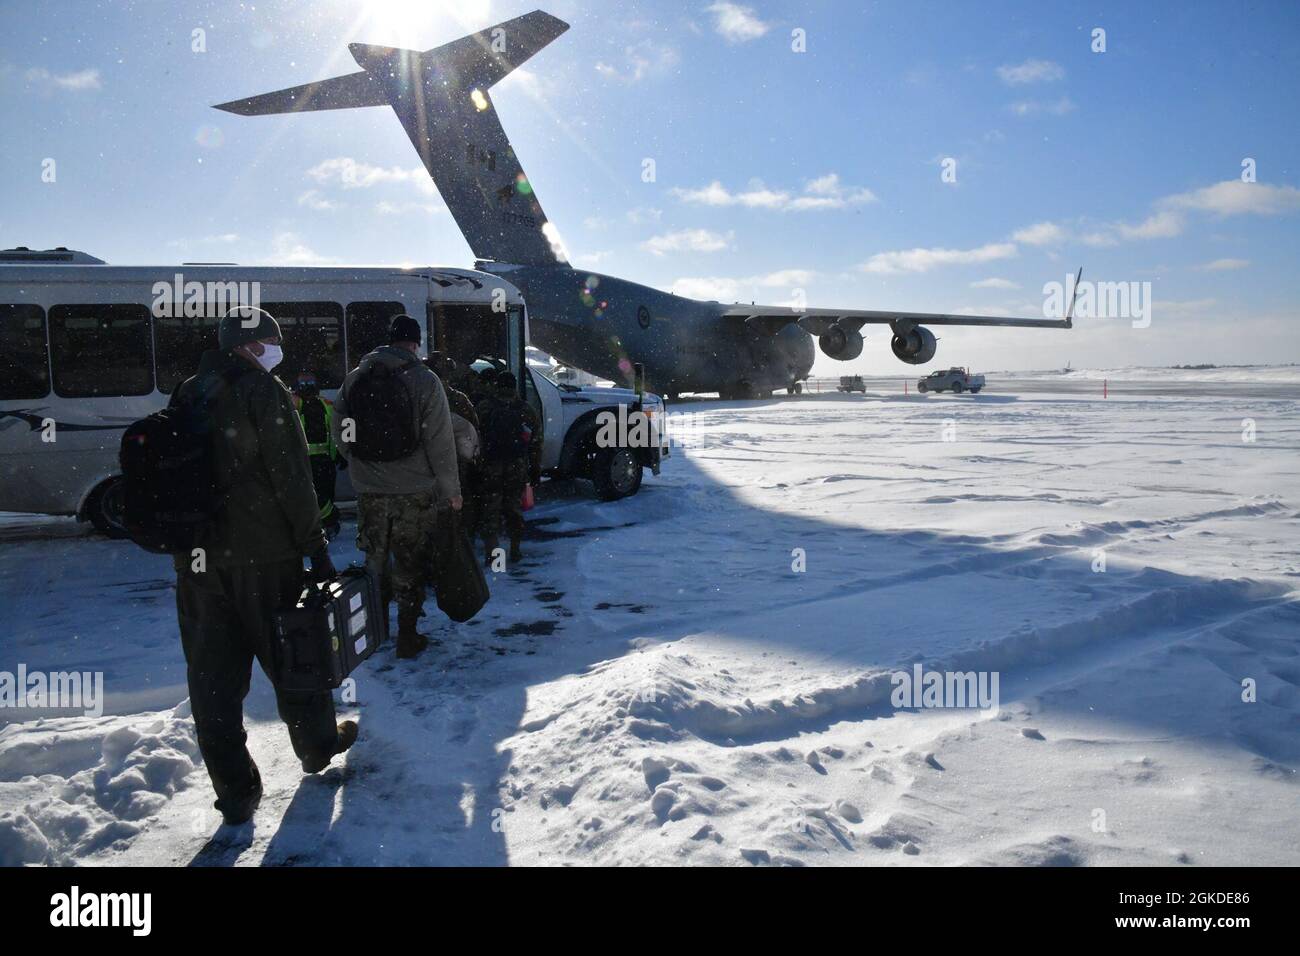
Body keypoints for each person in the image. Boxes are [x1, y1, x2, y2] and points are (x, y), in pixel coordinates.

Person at [173, 305, 356, 827]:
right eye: (272, 342)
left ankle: (235, 792)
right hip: (264, 557)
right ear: (252, 346)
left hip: (197, 564)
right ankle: (318, 745)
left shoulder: (189, 389)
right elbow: (293, 476)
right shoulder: (263, 391)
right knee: (294, 655)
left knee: (212, 680)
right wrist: (313, 544)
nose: (277, 352)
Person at [333, 315, 462, 659]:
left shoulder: (355, 378)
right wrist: (451, 489)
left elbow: (341, 429)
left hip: (369, 490)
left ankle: (374, 630)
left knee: (374, 559)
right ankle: (407, 634)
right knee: (409, 562)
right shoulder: (425, 380)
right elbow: (440, 442)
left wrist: (358, 462)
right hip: (414, 490)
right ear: (416, 343)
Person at [474, 369, 539, 565]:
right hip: (516, 465)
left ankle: (494, 557)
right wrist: (534, 468)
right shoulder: (526, 409)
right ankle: (515, 550)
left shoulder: (485, 407)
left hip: (491, 465)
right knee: (513, 508)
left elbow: (475, 437)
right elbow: (536, 442)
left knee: (491, 510)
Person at [291, 370, 342, 540]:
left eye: (310, 383)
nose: (307, 387)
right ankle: (327, 522)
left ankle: (327, 526)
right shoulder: (294, 404)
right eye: (303, 384)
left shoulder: (326, 404)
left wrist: (343, 451)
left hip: (324, 461)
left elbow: (338, 427)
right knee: (313, 499)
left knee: (325, 496)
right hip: (303, 462)